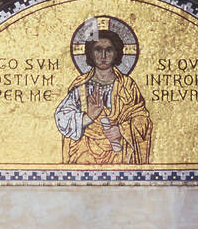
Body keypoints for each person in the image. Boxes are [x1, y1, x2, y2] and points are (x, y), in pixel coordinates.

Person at [54, 31, 152, 167]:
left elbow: (142, 119)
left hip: (118, 153)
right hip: (84, 153)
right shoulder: (81, 86)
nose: (103, 56)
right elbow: (61, 117)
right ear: (91, 54)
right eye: (98, 50)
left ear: (116, 53)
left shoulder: (127, 86)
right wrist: (88, 117)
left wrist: (122, 130)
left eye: (109, 50)